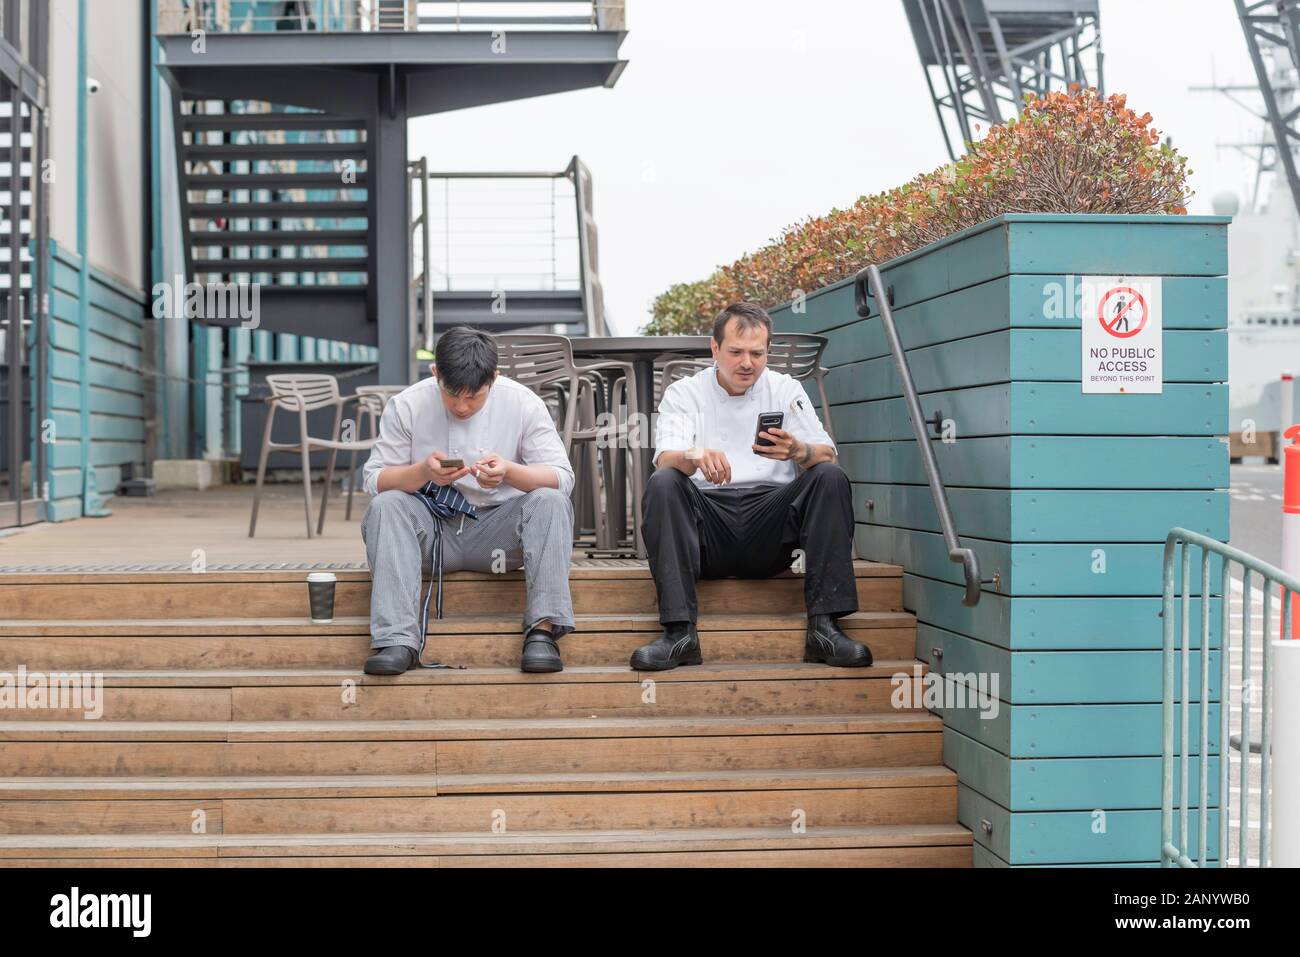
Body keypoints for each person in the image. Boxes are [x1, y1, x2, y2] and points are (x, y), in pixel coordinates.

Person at [631, 302, 872, 671]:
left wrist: (799, 450)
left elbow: (827, 454)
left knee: (828, 476)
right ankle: (679, 633)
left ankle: (825, 628)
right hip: (707, 529)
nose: (747, 363)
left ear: (767, 352)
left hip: (770, 527)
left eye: (757, 353)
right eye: (736, 352)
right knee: (664, 482)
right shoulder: (685, 393)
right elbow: (666, 457)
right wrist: (696, 455)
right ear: (714, 349)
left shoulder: (785, 388)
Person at [360, 327, 576, 675]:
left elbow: (562, 478)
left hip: (501, 535)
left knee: (550, 502)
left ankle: (543, 632)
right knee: (386, 506)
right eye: (451, 394)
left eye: (474, 396)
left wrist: (509, 472)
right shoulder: (407, 404)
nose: (462, 406)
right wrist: (421, 473)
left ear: (494, 378)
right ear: (435, 374)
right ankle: (397, 640)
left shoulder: (523, 403)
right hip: (431, 532)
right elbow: (375, 480)